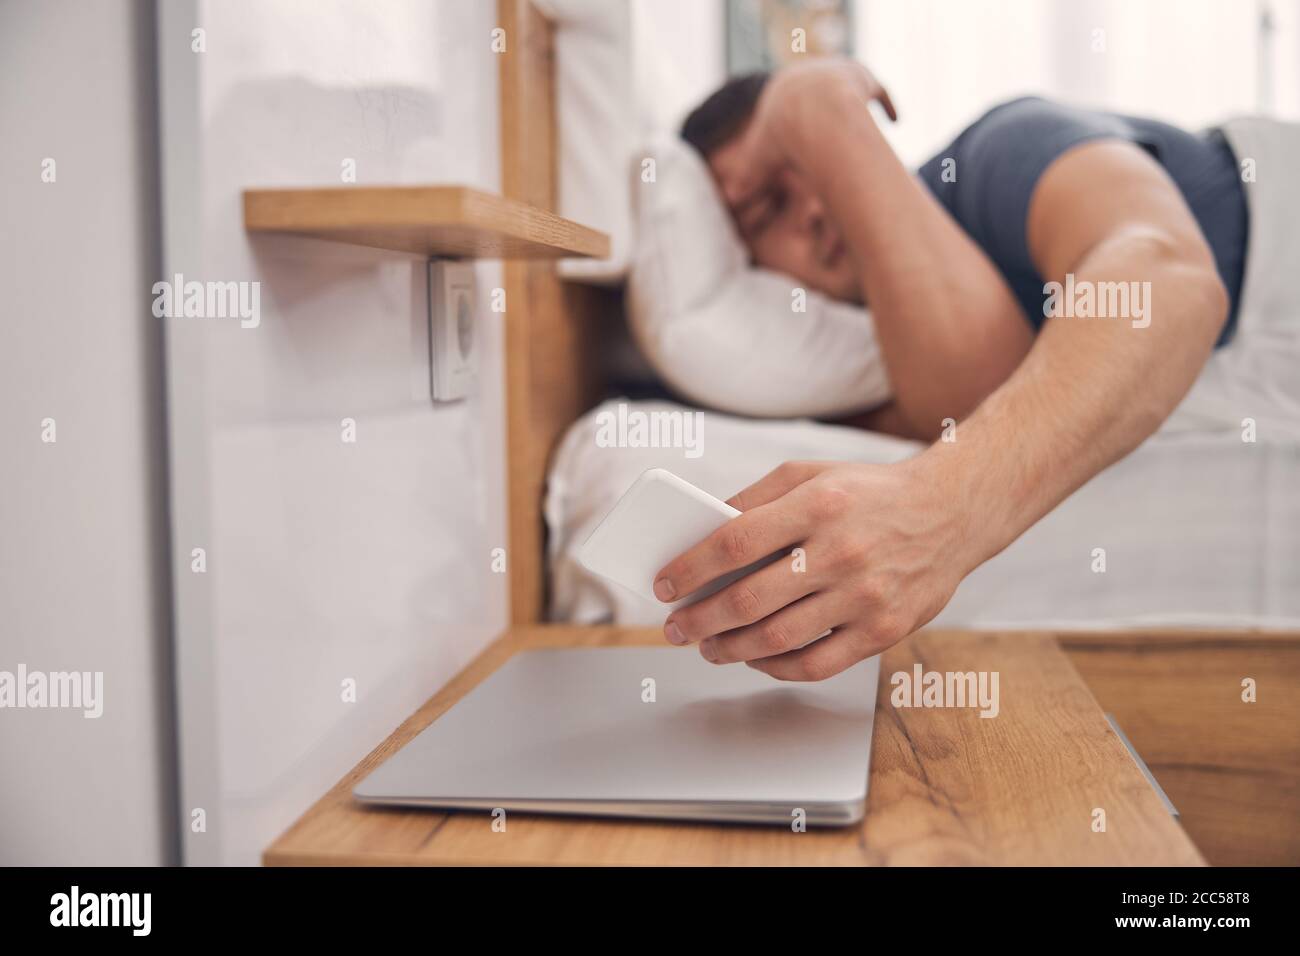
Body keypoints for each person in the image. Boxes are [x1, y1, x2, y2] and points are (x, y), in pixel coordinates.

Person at [653, 60, 1244, 680]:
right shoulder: (855, 369)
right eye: (768, 208)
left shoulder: (1002, 149)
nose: (813, 209)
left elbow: (1168, 281)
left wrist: (821, 112)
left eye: (815, 168)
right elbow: (987, 399)